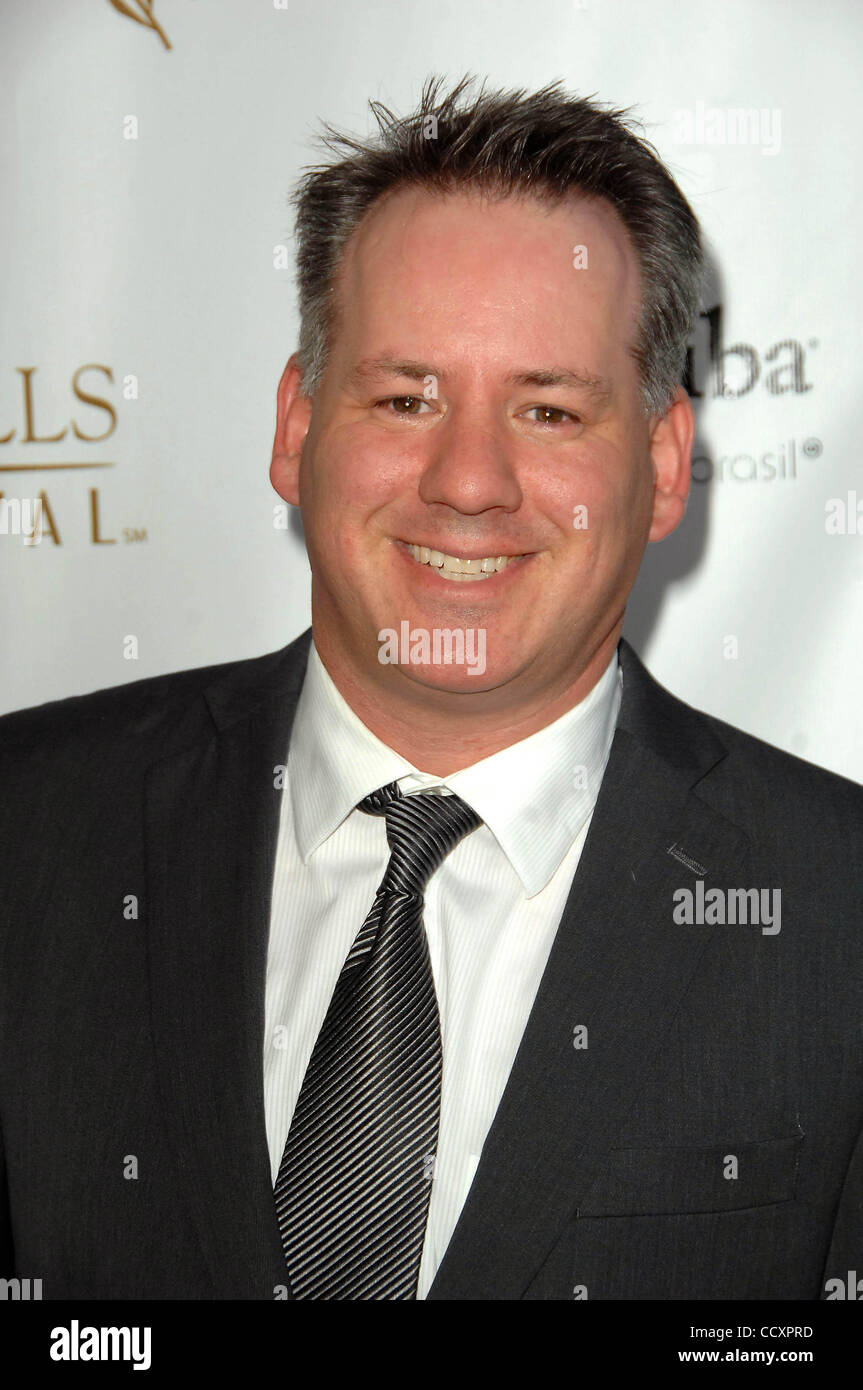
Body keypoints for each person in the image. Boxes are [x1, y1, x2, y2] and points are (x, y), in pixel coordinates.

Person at [1, 75, 860, 1302]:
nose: (467, 481)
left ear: (664, 466)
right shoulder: (29, 830)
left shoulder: (836, 911)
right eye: (406, 398)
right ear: (297, 429)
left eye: (548, 409)